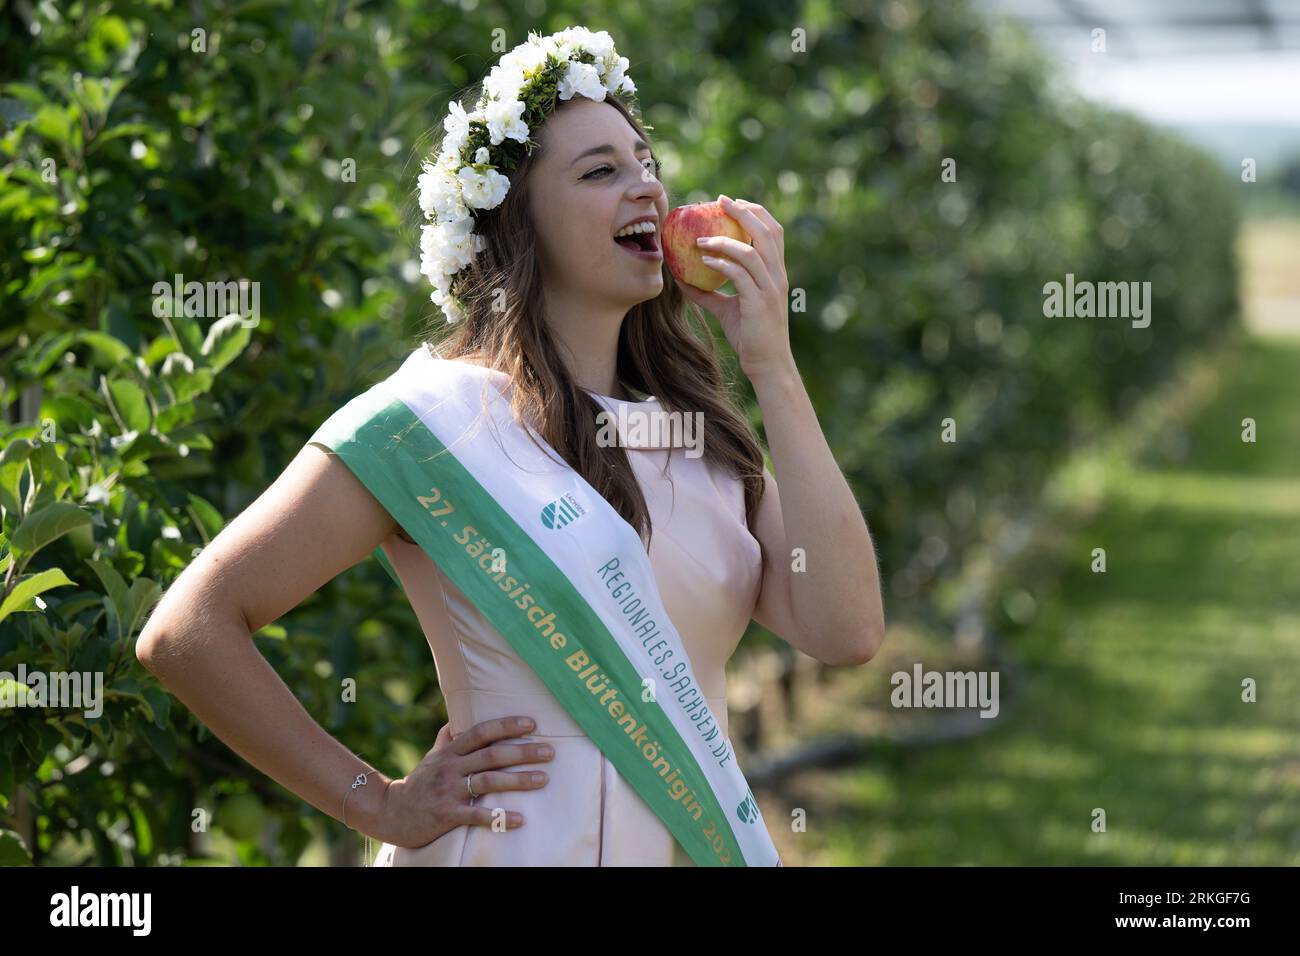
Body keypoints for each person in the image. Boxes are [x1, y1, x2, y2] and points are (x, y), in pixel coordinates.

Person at [136, 26, 885, 867]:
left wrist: (772, 366)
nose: (645, 184)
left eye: (645, 161)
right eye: (601, 171)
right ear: (514, 220)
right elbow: (189, 629)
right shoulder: (435, 427)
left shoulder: (698, 438)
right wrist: (376, 802)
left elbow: (846, 629)